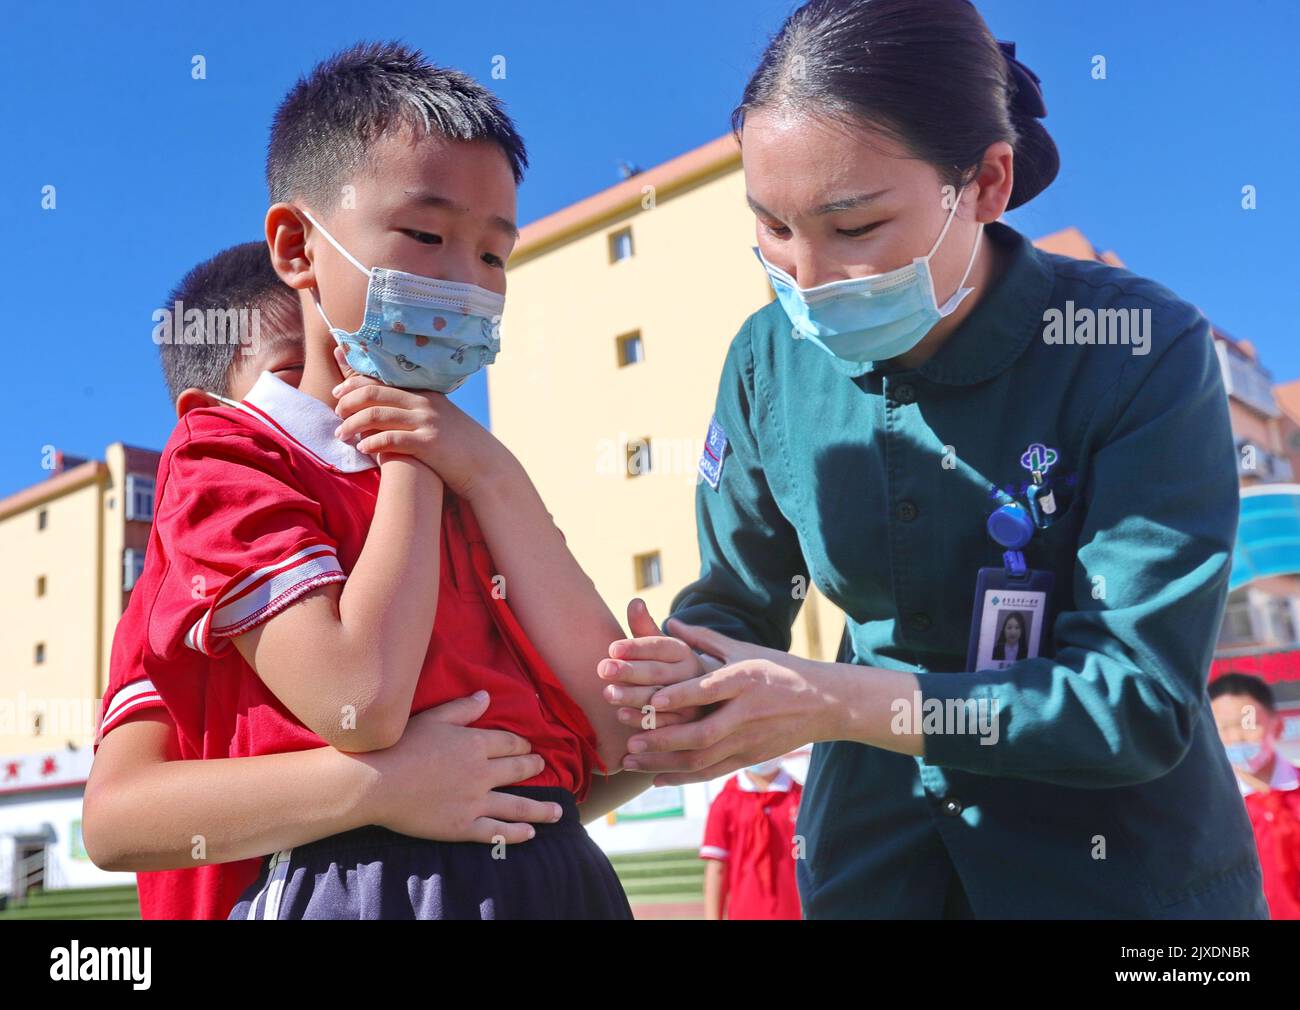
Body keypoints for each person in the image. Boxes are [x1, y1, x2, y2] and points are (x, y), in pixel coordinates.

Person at [598, 0, 1267, 918]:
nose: (806, 275)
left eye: (854, 225)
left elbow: (1136, 700)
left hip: (1125, 888)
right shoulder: (766, 360)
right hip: (875, 872)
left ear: (986, 184)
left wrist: (839, 702)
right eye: (772, 226)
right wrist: (681, 670)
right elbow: (741, 603)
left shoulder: (1137, 346)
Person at [88, 43, 656, 920]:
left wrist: (491, 472)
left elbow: (620, 732)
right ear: (297, 247)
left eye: (496, 257)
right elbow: (360, 701)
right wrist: (416, 450)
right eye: (426, 237)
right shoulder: (231, 458)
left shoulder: (471, 469)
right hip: (356, 886)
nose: (465, 282)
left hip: (562, 876)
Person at [1210, 672, 1300, 918]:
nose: (1237, 737)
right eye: (1223, 728)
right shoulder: (1211, 807)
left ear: (1278, 726)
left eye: (1248, 724)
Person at [700, 758, 803, 920]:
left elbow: (808, 861)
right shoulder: (725, 801)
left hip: (795, 912)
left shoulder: (802, 798)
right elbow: (717, 869)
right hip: (744, 912)